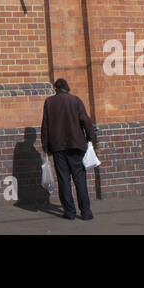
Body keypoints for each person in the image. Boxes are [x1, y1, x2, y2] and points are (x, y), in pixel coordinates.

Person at [40, 78, 99, 221]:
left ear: (55, 89)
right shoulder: (76, 101)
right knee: (80, 180)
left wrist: (46, 147)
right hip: (76, 145)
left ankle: (70, 212)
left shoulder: (49, 103)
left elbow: (45, 126)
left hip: (58, 147)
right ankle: (85, 212)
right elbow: (86, 121)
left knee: (63, 180)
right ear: (67, 87)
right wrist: (91, 139)